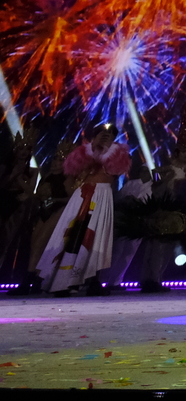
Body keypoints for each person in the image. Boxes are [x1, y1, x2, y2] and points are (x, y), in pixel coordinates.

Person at [37, 126, 131, 296]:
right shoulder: (83, 152)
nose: (105, 137)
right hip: (83, 196)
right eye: (102, 134)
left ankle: (92, 280)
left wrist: (107, 150)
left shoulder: (119, 154)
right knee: (74, 235)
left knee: (97, 237)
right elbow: (74, 171)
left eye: (109, 135)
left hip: (103, 197)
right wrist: (94, 150)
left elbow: (115, 170)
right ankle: (62, 282)